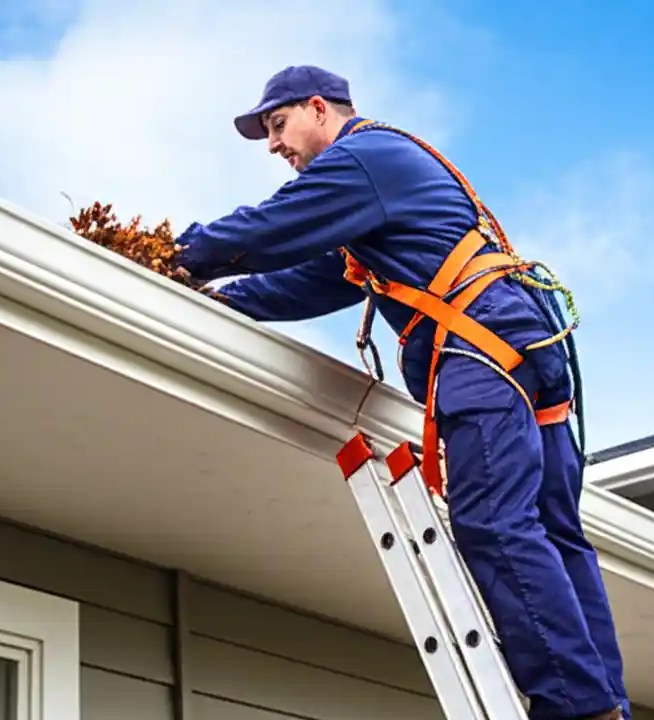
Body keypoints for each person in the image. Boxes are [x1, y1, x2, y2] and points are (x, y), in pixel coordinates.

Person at [173, 65, 630, 720]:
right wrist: (221, 300)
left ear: (319, 109)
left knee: (494, 522)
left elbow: (269, 229)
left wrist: (174, 255)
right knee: (553, 533)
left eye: (278, 127)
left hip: (482, 350)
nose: (275, 147)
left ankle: (575, 707)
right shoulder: (372, 196)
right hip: (525, 348)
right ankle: (603, 704)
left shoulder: (361, 158)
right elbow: (311, 282)